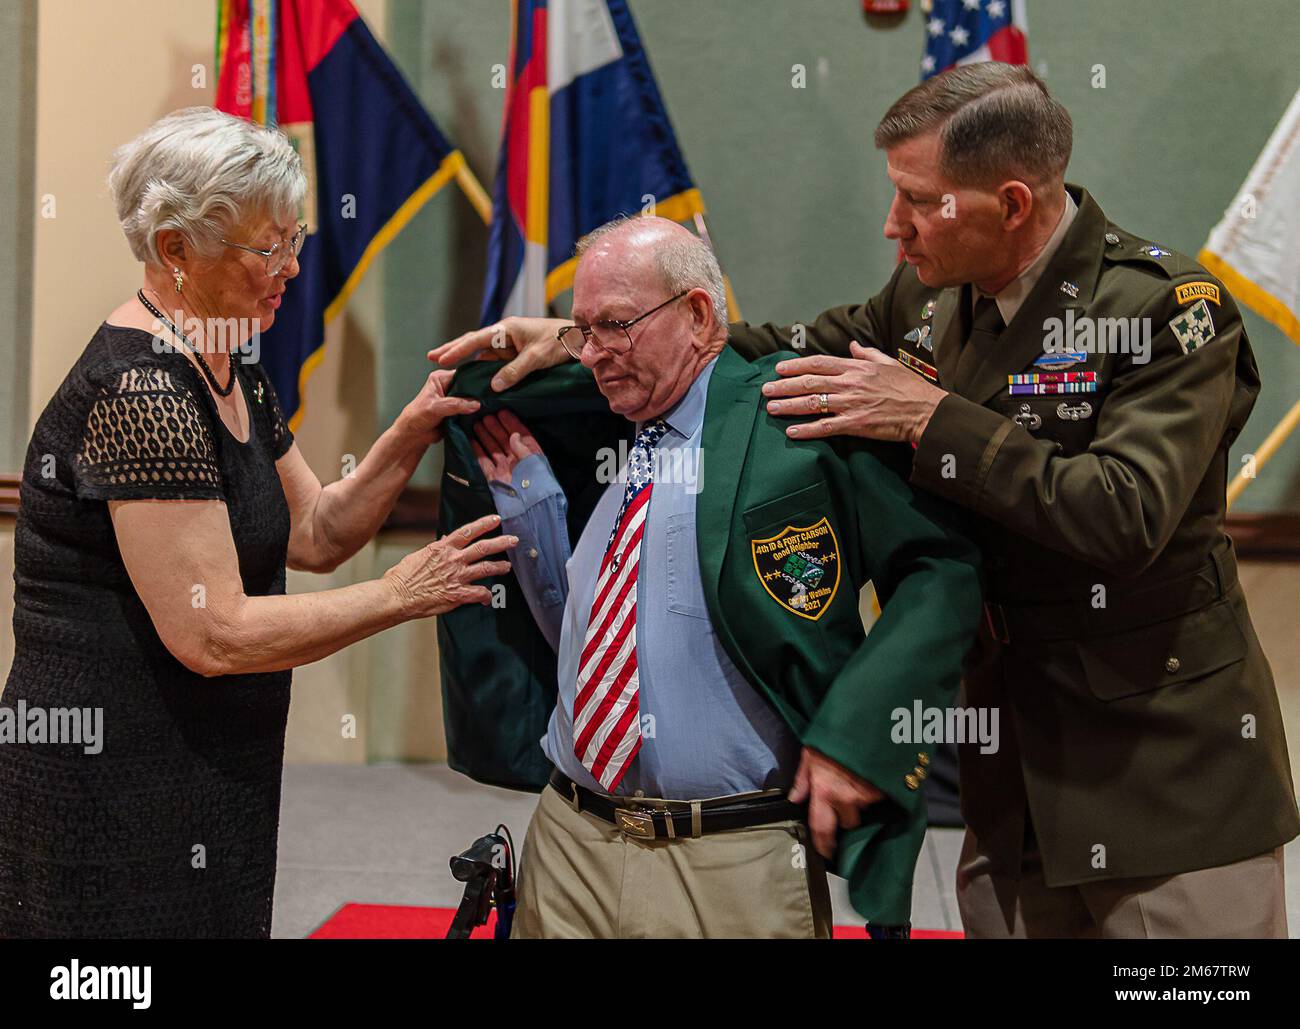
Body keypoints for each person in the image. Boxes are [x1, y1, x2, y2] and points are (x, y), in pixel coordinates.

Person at [430, 64, 1299, 938]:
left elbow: (1125, 513)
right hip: (1014, 765)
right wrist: (585, 338)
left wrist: (933, 417)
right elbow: (775, 352)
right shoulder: (929, 298)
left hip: (1162, 771)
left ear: (1009, 204)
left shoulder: (1165, 312)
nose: (894, 227)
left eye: (919, 203)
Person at [0, 107, 515, 938]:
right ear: (175, 249)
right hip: (114, 773)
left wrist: (409, 431)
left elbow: (313, 531)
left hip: (205, 760)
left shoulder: (226, 356)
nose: (292, 269)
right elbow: (215, 634)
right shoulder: (145, 392)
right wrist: (398, 592)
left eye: (296, 239)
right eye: (266, 248)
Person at [455, 215, 981, 938]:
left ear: (698, 314)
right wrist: (538, 512)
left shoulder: (791, 411)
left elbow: (939, 568)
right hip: (570, 838)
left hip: (734, 857)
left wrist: (864, 734)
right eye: (582, 331)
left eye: (616, 325)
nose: (594, 355)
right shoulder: (602, 436)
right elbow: (589, 643)